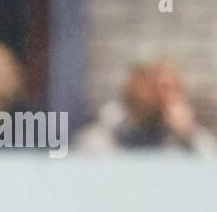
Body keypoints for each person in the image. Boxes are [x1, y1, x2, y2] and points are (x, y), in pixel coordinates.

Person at [75, 62, 217, 157]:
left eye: (168, 89)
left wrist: (188, 135)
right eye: (152, 88)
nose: (160, 97)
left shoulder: (184, 140)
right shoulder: (102, 137)